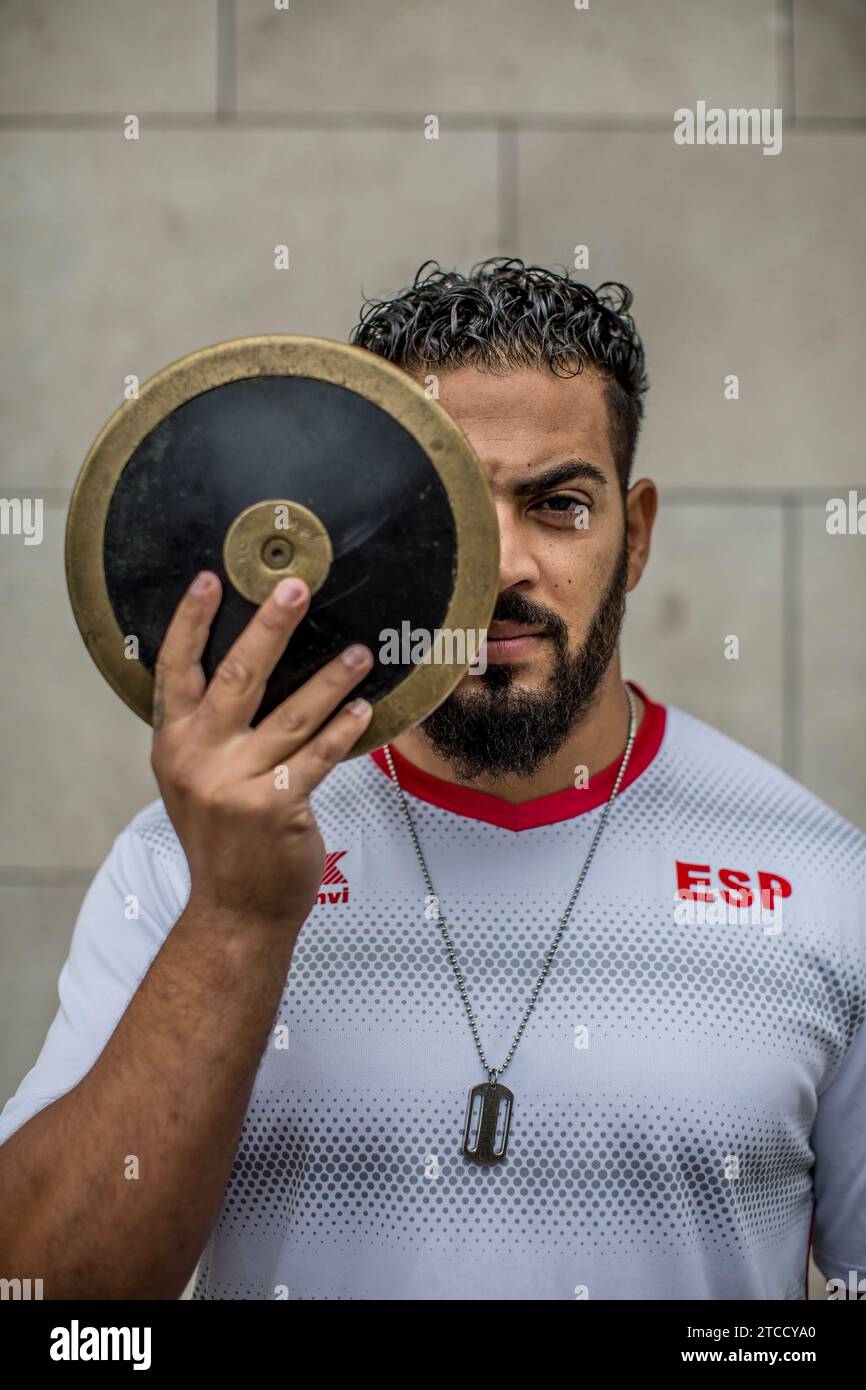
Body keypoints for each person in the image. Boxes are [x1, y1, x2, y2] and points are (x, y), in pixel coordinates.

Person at [0, 259, 863, 1301]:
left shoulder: (819, 880)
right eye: (440, 507)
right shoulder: (183, 861)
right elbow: (44, 1300)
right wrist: (234, 918)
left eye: (558, 505)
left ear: (632, 535)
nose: (499, 566)